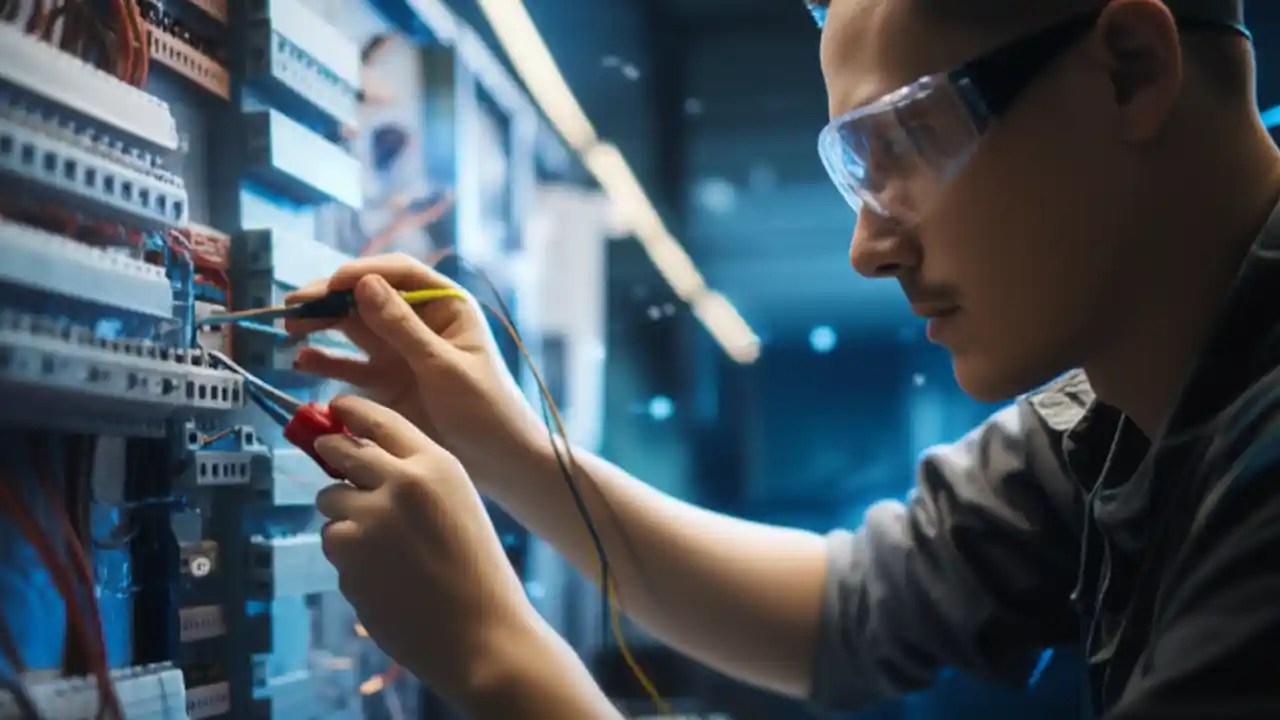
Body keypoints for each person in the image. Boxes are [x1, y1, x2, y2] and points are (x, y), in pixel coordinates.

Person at [285, 0, 1280, 716]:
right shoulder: (1116, 406)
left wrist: (491, 657)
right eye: (857, 174)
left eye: (909, 145)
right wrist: (496, 439)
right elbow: (842, 615)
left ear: (1129, 70)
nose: (869, 248)